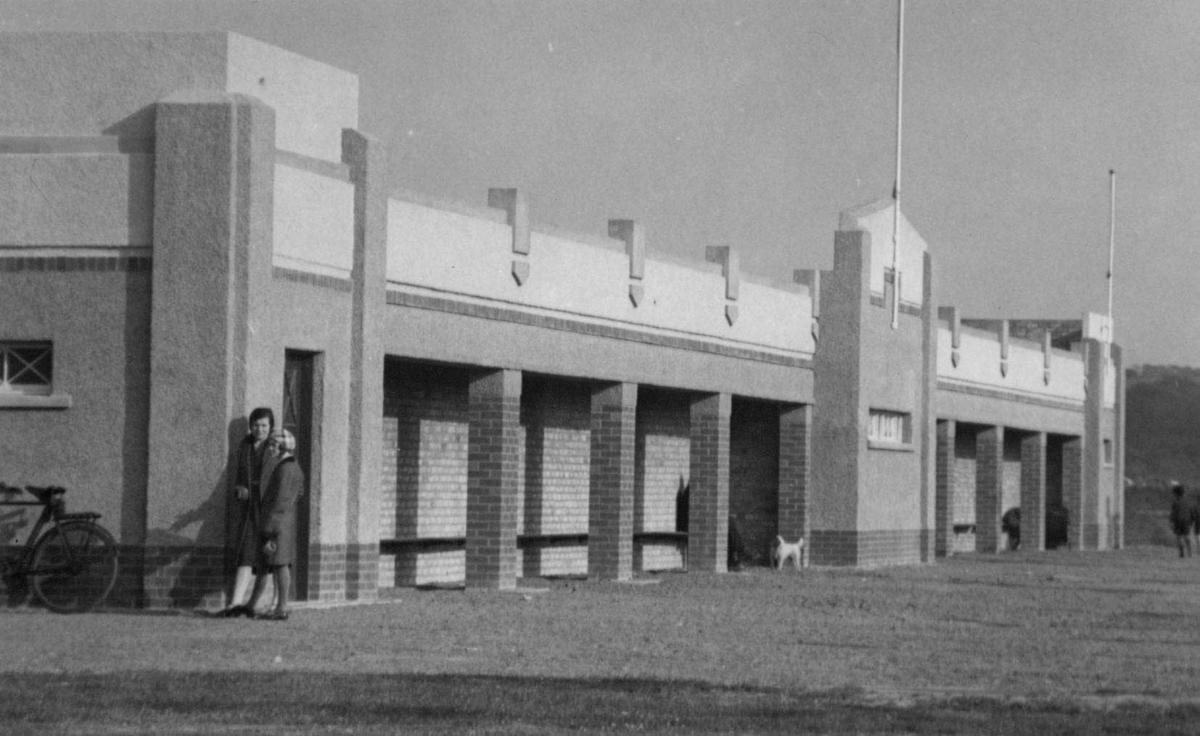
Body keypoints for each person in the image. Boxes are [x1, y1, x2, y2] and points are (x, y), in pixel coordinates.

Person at [245, 429, 304, 621]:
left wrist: (269, 532)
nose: (269, 448)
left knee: (280, 565)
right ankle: (253, 606)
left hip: (277, 525)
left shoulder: (286, 469)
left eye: (272, 445)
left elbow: (280, 502)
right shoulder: (290, 467)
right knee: (269, 565)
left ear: (281, 447)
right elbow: (299, 493)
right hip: (280, 523)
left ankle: (281, 608)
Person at [220, 407, 274, 617]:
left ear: (270, 427)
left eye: (264, 425)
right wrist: (240, 488)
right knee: (246, 554)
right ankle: (235, 603)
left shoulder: (274, 447)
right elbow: (240, 475)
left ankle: (258, 604)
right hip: (250, 510)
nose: (260, 429)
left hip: (268, 508)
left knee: (268, 558)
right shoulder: (245, 446)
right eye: (256, 425)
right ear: (251, 426)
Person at [1169, 481, 1198, 558]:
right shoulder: (1188, 501)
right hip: (1186, 521)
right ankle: (1189, 552)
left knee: (1178, 537)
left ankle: (1181, 552)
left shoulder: (1175, 502)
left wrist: (1171, 522)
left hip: (1178, 521)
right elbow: (1191, 511)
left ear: (1175, 494)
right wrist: (1193, 519)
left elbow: (1173, 513)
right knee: (1187, 536)